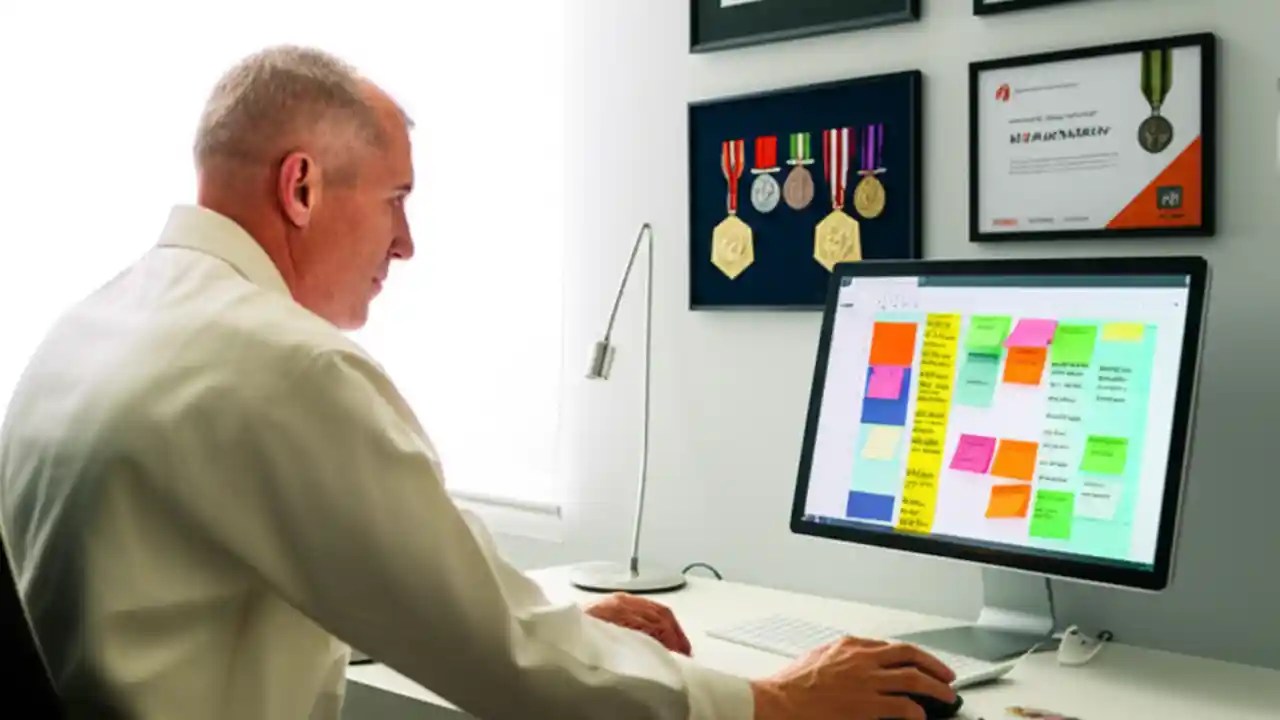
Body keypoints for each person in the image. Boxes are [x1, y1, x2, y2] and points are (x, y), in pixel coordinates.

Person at [0, 46, 957, 720]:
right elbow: (508, 666)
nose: (406, 244)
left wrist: (539, 626)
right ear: (301, 187)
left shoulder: (92, 326)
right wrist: (773, 704)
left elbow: (246, 589)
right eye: (397, 201)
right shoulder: (281, 364)